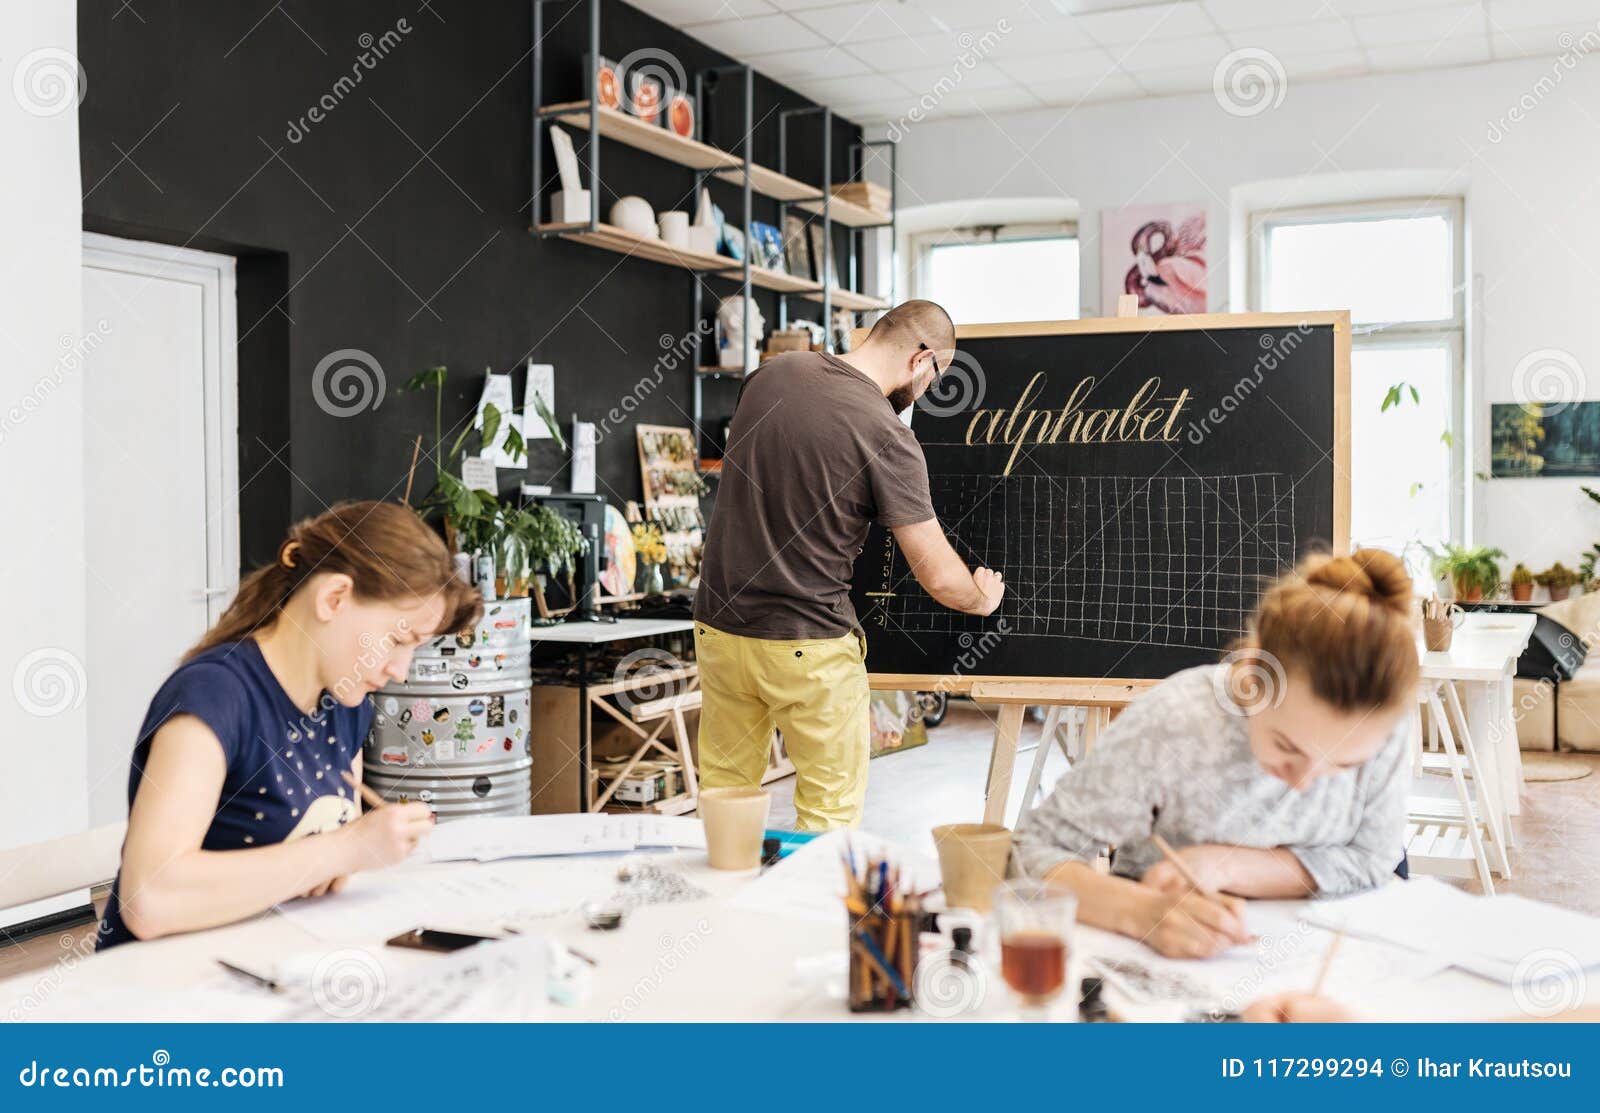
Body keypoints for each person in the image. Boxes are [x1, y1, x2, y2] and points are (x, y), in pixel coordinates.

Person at [97, 501, 482, 948]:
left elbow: (320, 864)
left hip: (273, 964)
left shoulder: (346, 703)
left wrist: (336, 861)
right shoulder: (214, 695)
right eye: (398, 639)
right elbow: (150, 900)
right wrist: (346, 849)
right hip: (163, 993)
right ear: (333, 598)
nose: (401, 669)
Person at [1012, 549, 1418, 958]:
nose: (1303, 782)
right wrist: (1144, 913)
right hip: (1165, 969)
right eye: (1286, 746)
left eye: (1344, 764)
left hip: (1324, 970)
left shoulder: (1383, 726)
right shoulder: (1177, 721)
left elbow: (1374, 858)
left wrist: (1225, 864)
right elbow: (1033, 851)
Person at [693, 299, 1005, 831]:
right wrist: (981, 597)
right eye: (937, 377)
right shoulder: (886, 433)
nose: (928, 392)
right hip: (808, 644)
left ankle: (720, 907)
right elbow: (938, 576)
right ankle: (807, 910)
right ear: (921, 359)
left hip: (720, 629)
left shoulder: (770, 375)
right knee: (826, 820)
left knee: (724, 800)